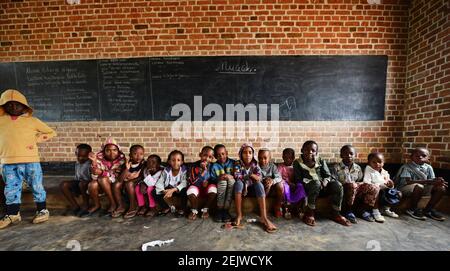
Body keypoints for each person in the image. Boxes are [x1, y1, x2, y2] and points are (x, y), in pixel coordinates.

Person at [0, 89, 57, 229]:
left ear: (24, 107)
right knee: (11, 187)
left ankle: (42, 210)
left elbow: (51, 132)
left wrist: (36, 139)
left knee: (36, 184)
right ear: (3, 106)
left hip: (30, 160)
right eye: (9, 104)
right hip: (7, 161)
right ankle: (13, 214)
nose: (13, 107)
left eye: (17, 104)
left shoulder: (32, 121)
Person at [294, 140, 350, 226]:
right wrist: (315, 182)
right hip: (308, 188)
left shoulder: (320, 160)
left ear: (316, 152)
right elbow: (298, 179)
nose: (310, 152)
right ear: (302, 150)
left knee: (337, 185)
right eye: (307, 150)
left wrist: (325, 181)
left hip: (323, 186)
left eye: (313, 150)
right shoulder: (297, 162)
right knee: (316, 183)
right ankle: (310, 212)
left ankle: (336, 213)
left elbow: (328, 175)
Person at [233, 143, 277, 233]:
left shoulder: (255, 164)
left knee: (259, 184)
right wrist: (251, 176)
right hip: (242, 189)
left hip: (253, 190)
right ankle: (239, 215)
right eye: (245, 152)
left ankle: (264, 217)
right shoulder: (237, 163)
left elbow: (259, 177)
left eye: (250, 152)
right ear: (241, 154)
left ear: (253, 154)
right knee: (238, 183)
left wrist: (248, 176)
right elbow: (237, 175)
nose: (247, 155)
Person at [395, 147, 447, 221]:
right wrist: (428, 181)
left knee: (441, 188)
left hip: (422, 188)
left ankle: (428, 210)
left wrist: (437, 181)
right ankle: (412, 209)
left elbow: (432, 180)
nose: (420, 157)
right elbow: (408, 182)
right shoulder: (407, 167)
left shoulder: (429, 167)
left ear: (428, 158)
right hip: (405, 188)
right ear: (411, 157)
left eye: (423, 156)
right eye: (417, 155)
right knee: (419, 186)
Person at [331, 145, 380, 223]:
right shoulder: (336, 167)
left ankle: (362, 210)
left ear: (355, 155)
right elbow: (334, 183)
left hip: (356, 191)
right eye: (345, 153)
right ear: (341, 155)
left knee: (374, 187)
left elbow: (361, 181)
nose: (349, 155)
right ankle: (348, 211)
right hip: (344, 192)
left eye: (351, 153)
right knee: (351, 185)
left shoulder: (358, 168)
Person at [84, 138, 125, 217]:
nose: (111, 153)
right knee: (92, 185)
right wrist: (94, 162)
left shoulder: (122, 160)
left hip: (116, 184)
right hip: (102, 184)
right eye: (108, 150)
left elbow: (117, 176)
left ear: (118, 150)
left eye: (114, 150)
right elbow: (94, 177)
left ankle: (113, 203)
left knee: (102, 178)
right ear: (103, 151)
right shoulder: (99, 159)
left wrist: (103, 172)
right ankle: (97, 205)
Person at [363, 152, 401, 223]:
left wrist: (391, 184)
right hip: (373, 191)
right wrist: (379, 185)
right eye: (374, 162)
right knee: (377, 190)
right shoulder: (368, 170)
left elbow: (389, 183)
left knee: (398, 193)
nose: (377, 164)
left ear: (383, 163)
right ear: (369, 163)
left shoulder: (384, 172)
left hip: (384, 190)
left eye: (380, 162)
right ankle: (375, 212)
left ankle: (386, 209)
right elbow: (366, 182)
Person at [112, 144, 146, 219]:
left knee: (129, 183)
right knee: (116, 184)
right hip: (127, 182)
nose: (138, 156)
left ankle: (133, 206)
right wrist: (127, 169)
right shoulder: (127, 164)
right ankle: (120, 206)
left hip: (139, 181)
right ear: (130, 155)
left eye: (141, 154)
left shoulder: (143, 164)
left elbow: (142, 176)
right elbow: (120, 179)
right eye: (135, 154)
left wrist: (132, 178)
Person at [60, 144, 92, 217]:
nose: (80, 158)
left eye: (84, 156)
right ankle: (75, 206)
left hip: (88, 185)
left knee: (82, 184)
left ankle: (86, 205)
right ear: (75, 153)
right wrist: (74, 189)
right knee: (63, 184)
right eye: (78, 155)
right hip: (79, 183)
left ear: (89, 155)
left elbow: (93, 178)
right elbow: (77, 177)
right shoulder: (77, 162)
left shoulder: (91, 163)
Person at [153, 150, 188, 217]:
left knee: (184, 190)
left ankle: (182, 209)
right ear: (169, 161)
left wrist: (173, 190)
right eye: (173, 160)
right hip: (168, 189)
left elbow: (184, 182)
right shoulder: (166, 171)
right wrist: (163, 190)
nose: (175, 162)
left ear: (182, 162)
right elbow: (160, 181)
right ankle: (166, 208)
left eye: (178, 160)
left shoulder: (184, 170)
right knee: (154, 191)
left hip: (178, 190)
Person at [187, 146, 217, 220]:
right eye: (205, 155)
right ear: (200, 155)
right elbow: (192, 181)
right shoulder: (193, 166)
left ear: (212, 158)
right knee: (190, 190)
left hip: (207, 189)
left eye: (210, 157)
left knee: (213, 189)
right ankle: (194, 210)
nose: (207, 158)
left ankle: (205, 209)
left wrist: (208, 182)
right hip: (197, 188)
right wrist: (202, 172)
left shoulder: (213, 166)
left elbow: (215, 179)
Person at [277, 148, 306, 219]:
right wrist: (289, 183)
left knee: (301, 186)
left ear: (293, 158)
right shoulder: (281, 166)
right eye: (285, 157)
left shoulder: (296, 166)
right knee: (285, 187)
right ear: (282, 157)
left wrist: (295, 183)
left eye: (290, 158)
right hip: (286, 184)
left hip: (295, 184)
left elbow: (299, 176)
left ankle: (299, 208)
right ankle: (287, 209)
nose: (287, 159)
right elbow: (279, 177)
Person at [210, 144, 235, 222]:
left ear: (226, 153)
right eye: (218, 155)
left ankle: (226, 210)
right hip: (220, 186)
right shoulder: (214, 166)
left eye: (223, 154)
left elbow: (238, 175)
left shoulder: (234, 163)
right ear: (215, 157)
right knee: (223, 181)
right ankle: (220, 210)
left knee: (231, 181)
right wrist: (218, 178)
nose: (221, 156)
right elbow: (211, 178)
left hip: (231, 186)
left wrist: (231, 176)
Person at [258, 148, 284, 218]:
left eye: (265, 158)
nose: (262, 160)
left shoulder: (272, 166)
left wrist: (272, 181)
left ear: (270, 158)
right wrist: (265, 180)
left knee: (280, 185)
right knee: (266, 184)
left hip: (272, 185)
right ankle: (263, 209)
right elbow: (257, 176)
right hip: (262, 185)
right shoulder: (257, 166)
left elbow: (279, 177)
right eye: (260, 158)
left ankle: (277, 207)